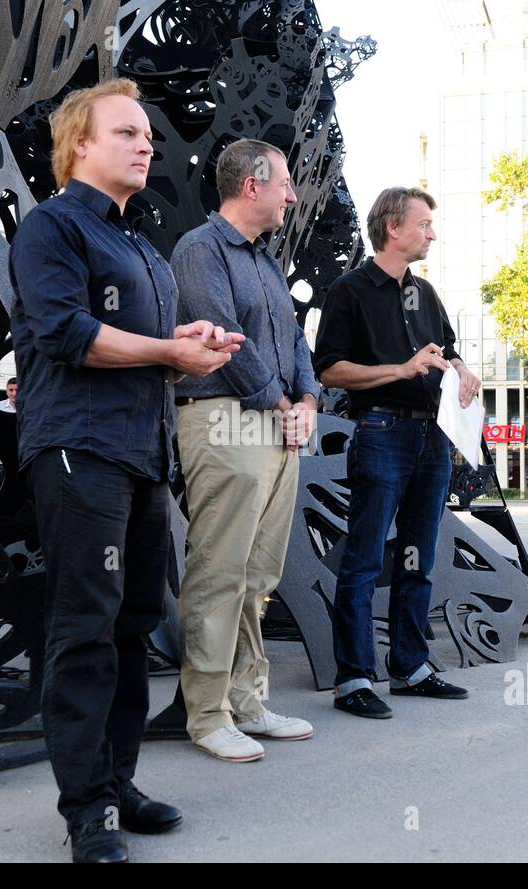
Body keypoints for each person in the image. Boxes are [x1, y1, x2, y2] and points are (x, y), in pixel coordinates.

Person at [8, 79, 243, 862]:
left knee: (134, 625)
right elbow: (69, 332)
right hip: (79, 451)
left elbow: (140, 348)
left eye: (146, 135)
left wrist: (190, 340)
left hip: (143, 454)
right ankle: (88, 811)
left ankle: (118, 781)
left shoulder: (138, 243)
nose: (146, 145)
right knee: (84, 631)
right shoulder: (51, 228)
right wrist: (169, 350)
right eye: (127, 133)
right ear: (80, 143)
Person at [171, 138, 319, 762]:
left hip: (277, 426)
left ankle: (247, 703)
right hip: (227, 420)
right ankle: (206, 716)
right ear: (252, 184)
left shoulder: (265, 261)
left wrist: (308, 397)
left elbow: (294, 341)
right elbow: (227, 341)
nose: (292, 194)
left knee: (258, 574)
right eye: (284, 182)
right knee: (220, 571)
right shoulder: (200, 250)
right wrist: (282, 403)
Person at [313, 186, 481, 718]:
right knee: (363, 559)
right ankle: (354, 679)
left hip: (432, 436)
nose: (432, 232)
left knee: (418, 556)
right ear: (392, 227)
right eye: (425, 223)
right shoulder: (350, 290)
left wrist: (463, 370)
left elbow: (447, 352)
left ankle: (411, 668)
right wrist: (402, 369)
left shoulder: (426, 294)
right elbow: (330, 370)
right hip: (381, 430)